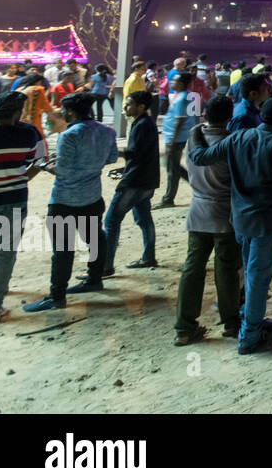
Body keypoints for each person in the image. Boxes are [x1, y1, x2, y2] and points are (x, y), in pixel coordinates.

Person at [188, 96, 272, 354]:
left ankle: (250, 319)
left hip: (240, 217)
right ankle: (250, 335)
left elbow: (199, 157)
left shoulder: (237, 138)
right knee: (258, 277)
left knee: (250, 273)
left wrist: (196, 131)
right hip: (269, 219)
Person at [22, 92, 115, 312]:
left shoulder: (69, 135)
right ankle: (94, 278)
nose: (61, 112)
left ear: (70, 111)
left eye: (63, 109)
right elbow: (111, 159)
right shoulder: (107, 131)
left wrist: (44, 165)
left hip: (65, 200)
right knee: (94, 239)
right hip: (92, 196)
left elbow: (61, 170)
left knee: (63, 249)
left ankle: (57, 295)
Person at [173, 94, 241, 346]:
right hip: (225, 214)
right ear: (229, 118)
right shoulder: (232, 143)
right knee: (227, 271)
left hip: (198, 210)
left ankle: (184, 326)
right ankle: (231, 323)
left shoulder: (194, 138)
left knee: (192, 268)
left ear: (205, 115)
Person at [0, 92, 50, 318]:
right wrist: (18, 179)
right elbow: (40, 163)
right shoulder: (30, 133)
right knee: (5, 252)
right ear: (19, 112)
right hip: (14, 199)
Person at [101, 91, 160, 272]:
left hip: (135, 182)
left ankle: (105, 266)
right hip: (147, 180)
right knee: (144, 218)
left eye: (129, 104)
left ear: (141, 106)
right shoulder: (146, 123)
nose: (125, 107)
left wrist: (113, 152)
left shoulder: (142, 124)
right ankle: (148, 257)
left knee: (111, 221)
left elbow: (135, 153)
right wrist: (125, 168)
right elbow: (143, 155)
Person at [156, 72, 195, 208]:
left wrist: (172, 141)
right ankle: (196, 185)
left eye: (175, 81)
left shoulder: (181, 99)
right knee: (175, 167)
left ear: (181, 84)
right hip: (183, 136)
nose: (172, 83)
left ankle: (168, 199)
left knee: (172, 169)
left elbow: (179, 120)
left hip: (176, 138)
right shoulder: (190, 95)